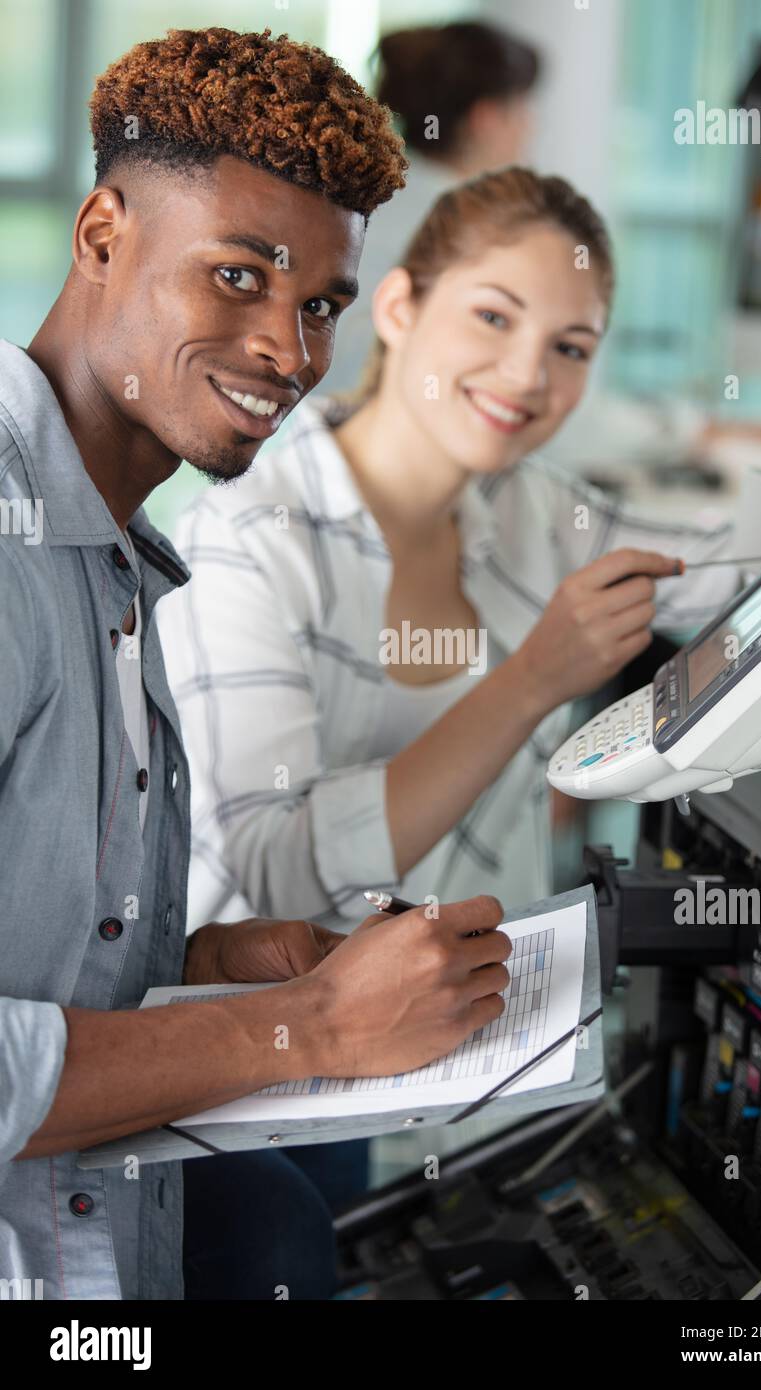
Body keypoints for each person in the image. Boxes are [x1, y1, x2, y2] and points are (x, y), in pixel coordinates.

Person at [0, 25, 513, 1302]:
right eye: (236, 277)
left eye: (320, 303)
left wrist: (199, 973)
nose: (291, 352)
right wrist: (314, 1028)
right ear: (101, 233)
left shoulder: (116, 561)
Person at [159, 165, 761, 943]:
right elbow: (274, 868)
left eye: (569, 347)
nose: (528, 375)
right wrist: (531, 683)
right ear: (399, 307)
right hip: (300, 1037)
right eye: (493, 318)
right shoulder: (241, 542)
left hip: (509, 1011)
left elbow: (755, 583)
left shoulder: (538, 509)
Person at [324, 20, 540, 392]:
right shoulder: (486, 228)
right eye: (521, 111)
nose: (529, 129)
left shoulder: (352, 196)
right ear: (486, 119)